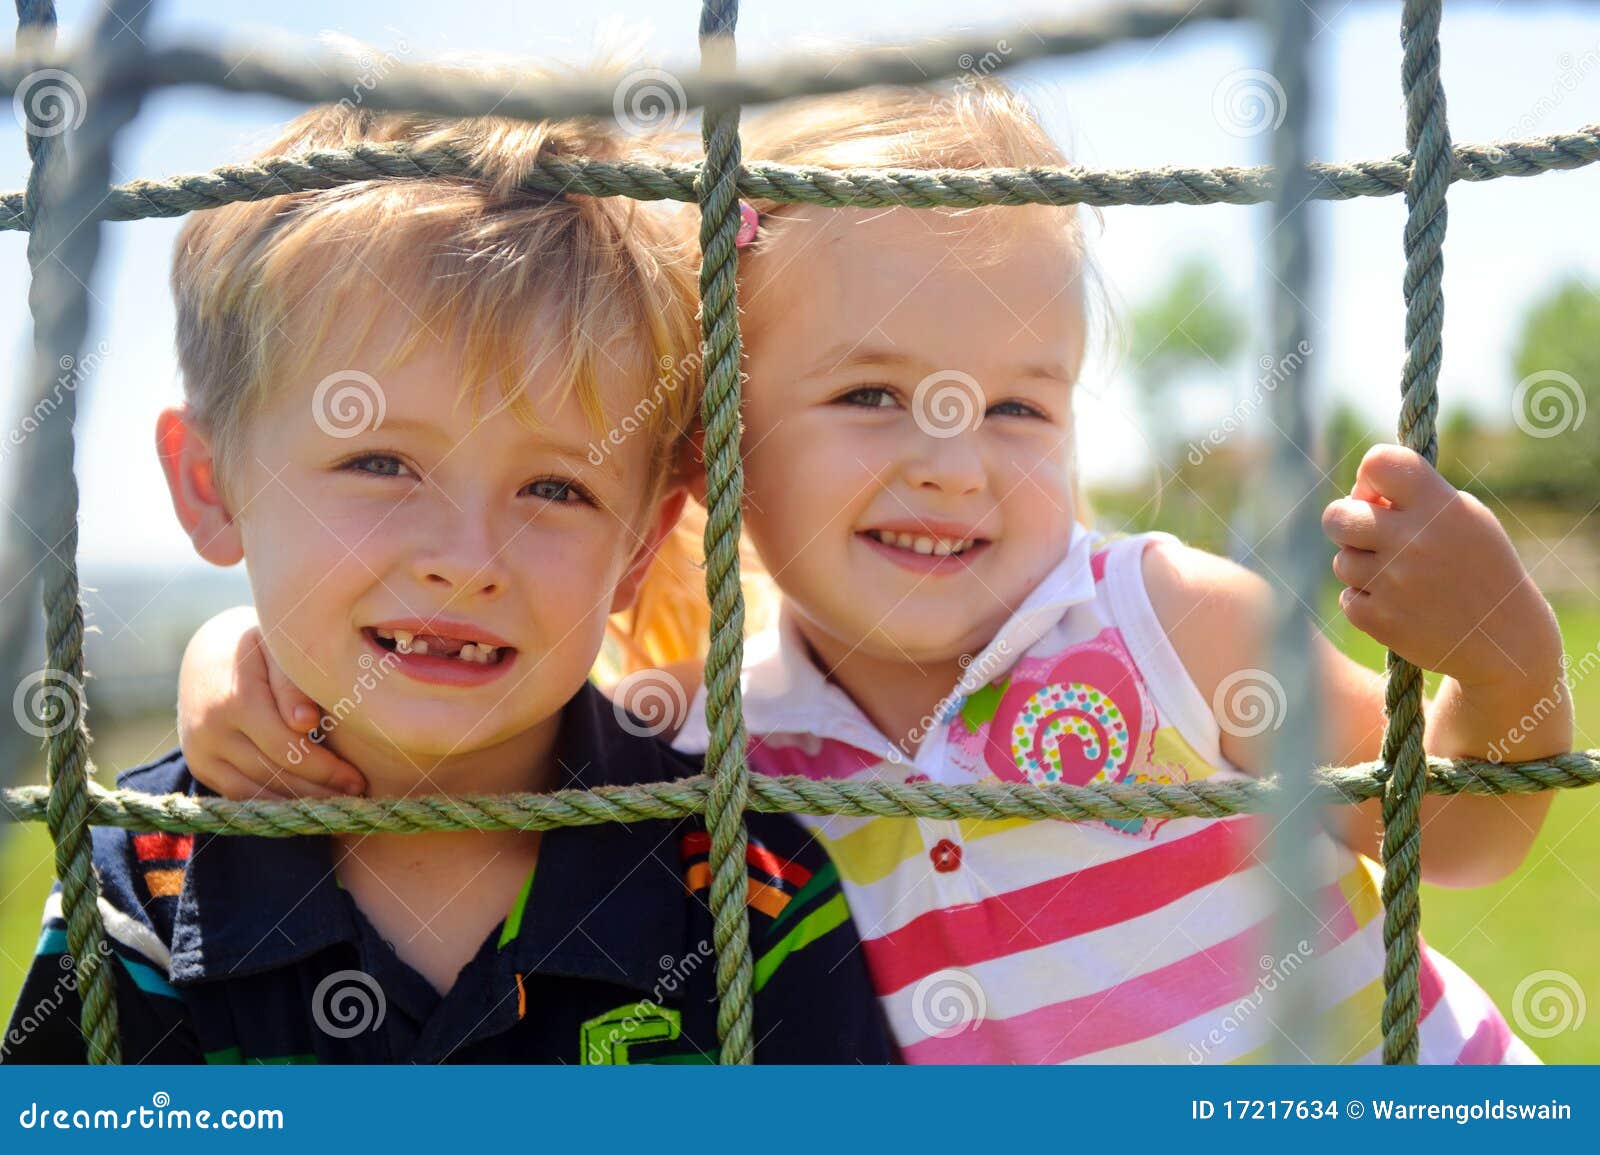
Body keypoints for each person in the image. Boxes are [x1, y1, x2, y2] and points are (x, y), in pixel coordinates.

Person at [163, 82, 1570, 1064]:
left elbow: (1457, 836)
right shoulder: (709, 742)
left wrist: (1510, 661)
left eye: (1020, 407)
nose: (954, 459)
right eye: (873, 394)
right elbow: (477, 690)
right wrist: (241, 658)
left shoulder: (1171, 626)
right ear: (711, 457)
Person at [1, 101, 892, 1066]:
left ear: (641, 544)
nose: (466, 559)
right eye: (381, 463)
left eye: (556, 486)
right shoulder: (137, 891)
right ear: (211, 487)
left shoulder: (751, 894)